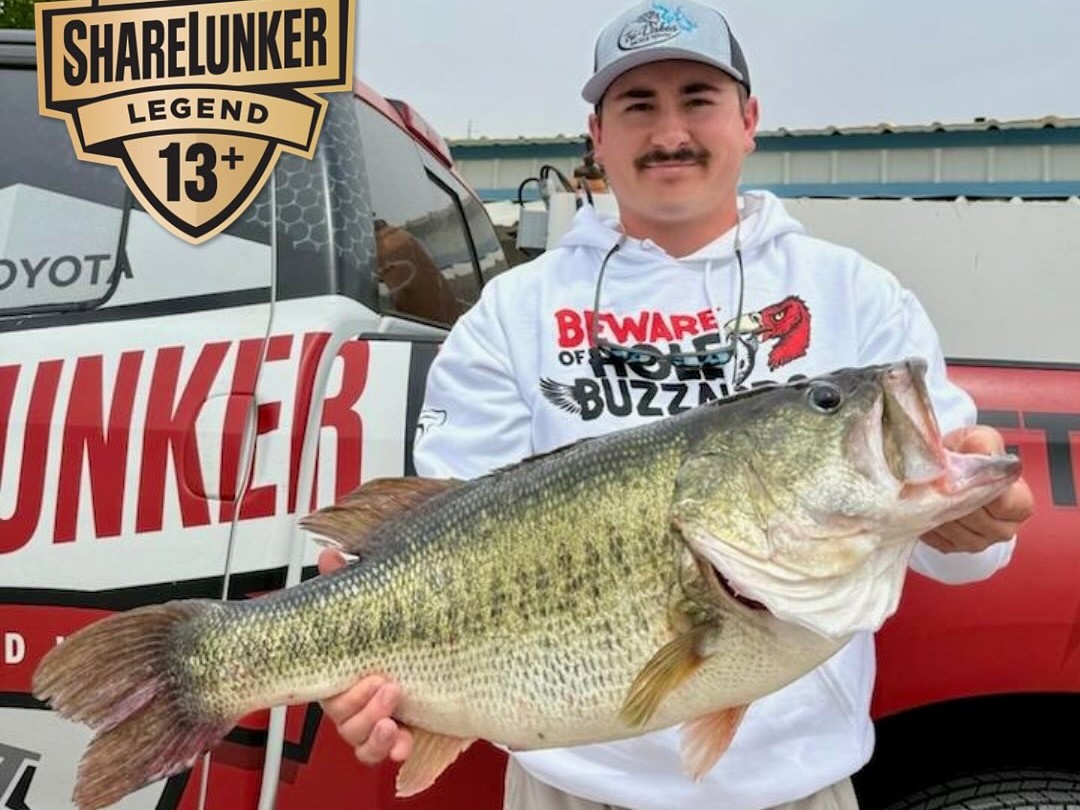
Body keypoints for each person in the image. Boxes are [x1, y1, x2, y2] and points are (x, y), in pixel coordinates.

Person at [318, 2, 1035, 809]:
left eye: (698, 98)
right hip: (568, 788)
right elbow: (451, 544)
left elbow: (962, 553)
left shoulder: (858, 297)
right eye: (637, 106)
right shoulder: (510, 315)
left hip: (795, 787)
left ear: (749, 118)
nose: (669, 133)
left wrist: (976, 527)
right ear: (597, 134)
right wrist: (394, 694)